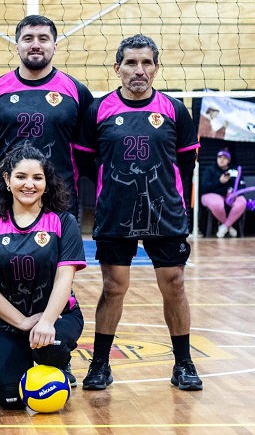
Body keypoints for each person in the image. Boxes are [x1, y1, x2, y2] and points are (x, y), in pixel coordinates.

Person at [75, 34, 203, 391]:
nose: (139, 70)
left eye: (146, 63)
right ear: (117, 68)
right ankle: (100, 365)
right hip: (116, 212)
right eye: (131, 63)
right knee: (114, 287)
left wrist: (172, 198)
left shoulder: (175, 110)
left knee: (174, 285)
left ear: (156, 68)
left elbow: (185, 162)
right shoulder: (98, 110)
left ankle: (184, 364)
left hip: (164, 212)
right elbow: (86, 161)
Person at [0, 144, 85, 410]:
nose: (29, 184)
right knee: (11, 400)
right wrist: (22, 322)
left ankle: (58, 361)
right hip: (3, 322)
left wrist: (45, 322)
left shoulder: (63, 222)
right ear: (7, 180)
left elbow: (64, 279)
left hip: (56, 317)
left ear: (47, 182)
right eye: (21, 176)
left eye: (37, 177)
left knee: (50, 345)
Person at [0, 14, 93, 218]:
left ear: (55, 46)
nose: (35, 44)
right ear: (16, 46)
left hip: (59, 197)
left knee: (59, 251)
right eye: (28, 38)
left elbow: (87, 148)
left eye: (43, 38)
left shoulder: (76, 91)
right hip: (2, 195)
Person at [200, 149, 245, 238]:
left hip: (231, 195)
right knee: (217, 205)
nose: (221, 160)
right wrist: (219, 181)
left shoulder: (235, 171)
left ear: (229, 160)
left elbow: (242, 185)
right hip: (213, 194)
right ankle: (229, 227)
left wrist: (235, 193)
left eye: (224, 158)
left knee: (242, 202)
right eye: (219, 157)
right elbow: (204, 187)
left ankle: (224, 227)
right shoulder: (210, 170)